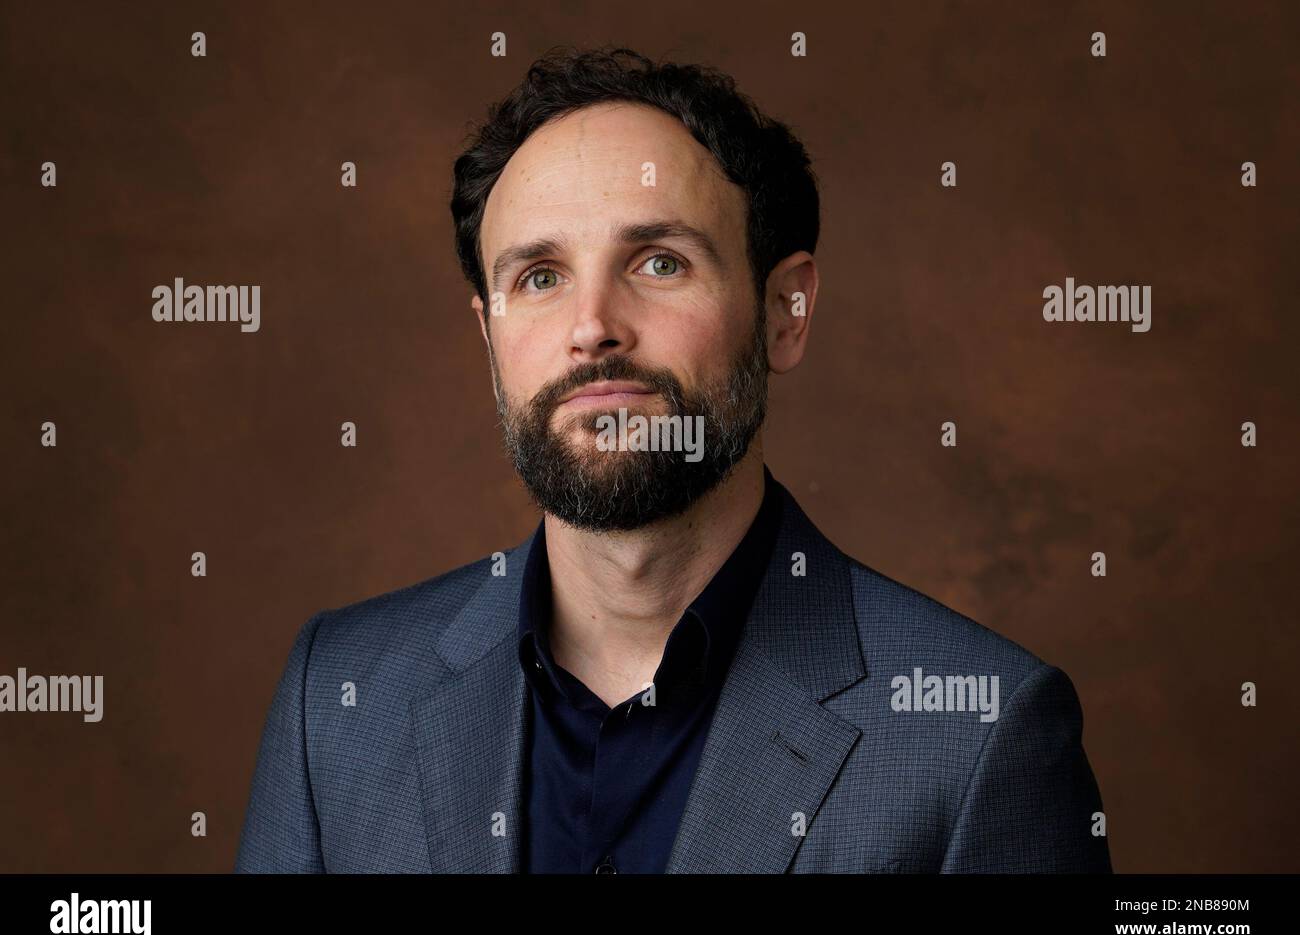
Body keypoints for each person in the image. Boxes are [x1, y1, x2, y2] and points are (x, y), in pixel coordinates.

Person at [235, 46, 1111, 874]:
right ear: (487, 335)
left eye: (658, 261)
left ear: (785, 310)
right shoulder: (337, 702)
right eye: (539, 275)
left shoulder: (980, 735)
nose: (592, 327)